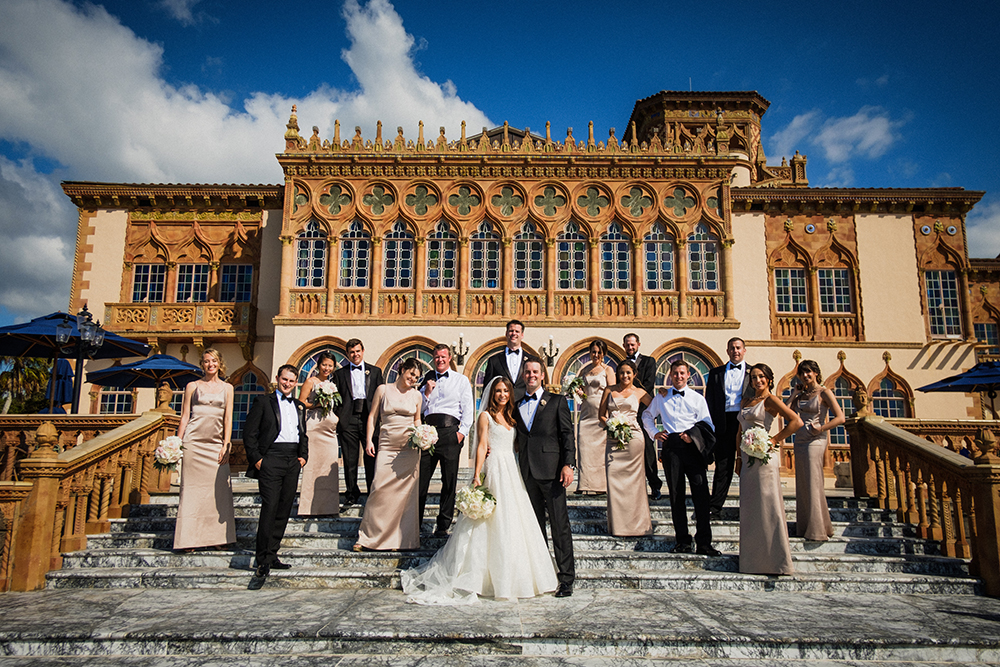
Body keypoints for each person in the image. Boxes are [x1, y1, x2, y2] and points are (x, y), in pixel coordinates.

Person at [400, 377, 558, 604]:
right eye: (498, 391)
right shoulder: (485, 416)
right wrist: (476, 475)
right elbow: (482, 445)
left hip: (511, 471)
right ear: (491, 394)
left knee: (513, 520)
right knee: (488, 521)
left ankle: (515, 576)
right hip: (494, 470)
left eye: (505, 391)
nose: (502, 395)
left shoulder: (512, 418)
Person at [514, 358, 576, 598]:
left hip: (552, 472)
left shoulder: (557, 401)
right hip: (527, 472)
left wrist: (568, 465)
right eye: (527, 371)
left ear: (542, 376)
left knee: (560, 526)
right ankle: (541, 576)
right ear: (523, 375)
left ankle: (566, 578)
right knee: (534, 527)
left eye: (535, 371)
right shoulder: (516, 403)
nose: (531, 375)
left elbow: (567, 435)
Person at [642, 360, 718, 556]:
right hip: (671, 447)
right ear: (670, 375)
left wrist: (692, 435)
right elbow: (647, 416)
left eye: (682, 373)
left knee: (701, 495)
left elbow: (708, 424)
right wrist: (654, 433)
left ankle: (704, 542)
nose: (678, 376)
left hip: (693, 447)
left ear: (688, 375)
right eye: (675, 373)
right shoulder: (662, 397)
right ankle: (682, 541)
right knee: (676, 496)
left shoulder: (697, 398)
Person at [244, 364, 309, 590]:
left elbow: (303, 433)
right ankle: (261, 560)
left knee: (283, 509)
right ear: (277, 379)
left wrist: (303, 456)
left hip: (292, 460)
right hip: (270, 458)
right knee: (270, 507)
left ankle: (272, 554)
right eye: (284, 380)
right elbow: (249, 433)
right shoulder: (263, 402)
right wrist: (258, 459)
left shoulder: (299, 406)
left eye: (291, 381)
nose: (287, 384)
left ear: (296, 382)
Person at [737, 363, 801, 575]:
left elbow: (796, 422)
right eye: (754, 377)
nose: (758, 381)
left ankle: (776, 561)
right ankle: (752, 561)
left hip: (764, 459)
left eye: (762, 377)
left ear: (769, 380)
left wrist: (773, 440)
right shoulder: (746, 401)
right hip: (747, 459)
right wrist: (738, 457)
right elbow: (740, 430)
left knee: (768, 508)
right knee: (750, 509)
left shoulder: (771, 400)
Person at [354, 357, 424, 551]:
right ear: (402, 370)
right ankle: (368, 538)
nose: (413, 379)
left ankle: (401, 540)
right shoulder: (383, 389)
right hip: (386, 445)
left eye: (417, 377)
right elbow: (372, 416)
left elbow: (417, 419)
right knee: (379, 490)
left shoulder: (417, 395)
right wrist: (369, 440)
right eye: (411, 374)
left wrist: (423, 436)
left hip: (409, 450)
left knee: (405, 496)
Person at [173, 348, 236, 552]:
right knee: (191, 492)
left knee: (219, 491)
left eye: (214, 361)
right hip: (194, 443)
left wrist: (226, 444)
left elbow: (228, 418)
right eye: (207, 361)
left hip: (215, 443)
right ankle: (188, 539)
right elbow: (184, 417)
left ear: (220, 363)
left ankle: (217, 537)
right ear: (202, 364)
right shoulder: (192, 386)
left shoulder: (228, 388)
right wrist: (176, 443)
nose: (211, 364)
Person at [418, 344, 474, 538]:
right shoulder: (426, 379)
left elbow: (468, 408)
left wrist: (462, 433)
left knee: (449, 481)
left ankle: (443, 525)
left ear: (449, 358)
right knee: (421, 480)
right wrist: (426, 392)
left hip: (451, 432)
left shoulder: (461, 380)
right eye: (436, 357)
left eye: (443, 356)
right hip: (428, 433)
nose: (439, 359)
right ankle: (415, 523)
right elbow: (419, 407)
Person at [786, 360, 845, 542]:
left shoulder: (824, 392)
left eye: (809, 372)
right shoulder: (801, 394)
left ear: (816, 373)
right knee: (803, 482)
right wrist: (794, 393)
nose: (805, 376)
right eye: (802, 373)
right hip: (800, 440)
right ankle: (806, 526)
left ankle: (817, 529)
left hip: (816, 439)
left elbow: (841, 418)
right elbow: (785, 412)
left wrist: (822, 428)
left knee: (813, 481)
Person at [598, 359, 653, 537]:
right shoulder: (609, 390)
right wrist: (611, 426)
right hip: (613, 440)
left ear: (634, 374)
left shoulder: (640, 392)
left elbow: (655, 408)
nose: (625, 376)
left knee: (636, 483)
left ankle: (637, 525)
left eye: (628, 372)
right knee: (614, 480)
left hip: (634, 439)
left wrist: (665, 393)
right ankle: (618, 526)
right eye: (622, 372)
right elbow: (601, 415)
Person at [333, 339, 384, 511]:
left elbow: (381, 396)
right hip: (348, 419)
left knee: (372, 458)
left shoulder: (376, 371)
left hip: (369, 418)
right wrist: (340, 417)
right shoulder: (340, 374)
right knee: (350, 459)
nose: (355, 354)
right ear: (347, 354)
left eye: (357, 351)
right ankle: (351, 493)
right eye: (351, 352)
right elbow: (336, 399)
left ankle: (372, 493)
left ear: (363, 351)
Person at [706, 337, 750, 520]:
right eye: (732, 348)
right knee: (723, 466)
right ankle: (714, 508)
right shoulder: (716, 373)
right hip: (723, 422)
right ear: (727, 351)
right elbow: (709, 401)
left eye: (738, 348)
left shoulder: (754, 372)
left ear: (744, 350)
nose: (735, 351)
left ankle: (751, 507)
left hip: (745, 422)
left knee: (750, 465)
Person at [298, 351, 340, 516]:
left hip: (329, 430)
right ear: (318, 364)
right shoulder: (311, 381)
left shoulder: (331, 384)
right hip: (315, 427)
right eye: (324, 364)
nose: (327, 368)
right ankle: (308, 508)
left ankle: (329, 507)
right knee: (313, 467)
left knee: (329, 467)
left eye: (330, 365)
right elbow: (300, 403)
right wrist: (315, 405)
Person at [622, 333, 663, 501]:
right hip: (626, 413)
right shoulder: (622, 364)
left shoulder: (648, 361)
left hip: (642, 411)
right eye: (627, 345)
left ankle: (655, 486)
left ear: (638, 344)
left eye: (632, 344)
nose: (630, 347)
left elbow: (648, 385)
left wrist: (632, 390)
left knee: (647, 450)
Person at [575, 339, 615, 495]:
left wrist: (610, 414)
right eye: (593, 352)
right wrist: (579, 392)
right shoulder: (585, 372)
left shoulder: (608, 370)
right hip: (586, 414)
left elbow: (611, 391)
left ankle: (600, 487)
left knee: (599, 451)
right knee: (584, 448)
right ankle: (584, 484)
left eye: (599, 352)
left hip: (600, 414)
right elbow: (585, 394)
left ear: (603, 353)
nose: (596, 355)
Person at [483, 319, 529, 403]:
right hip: (501, 407)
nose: (514, 333)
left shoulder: (531, 360)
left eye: (517, 331)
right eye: (511, 331)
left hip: (524, 406)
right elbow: (487, 388)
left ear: (522, 335)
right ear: (506, 333)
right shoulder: (494, 360)